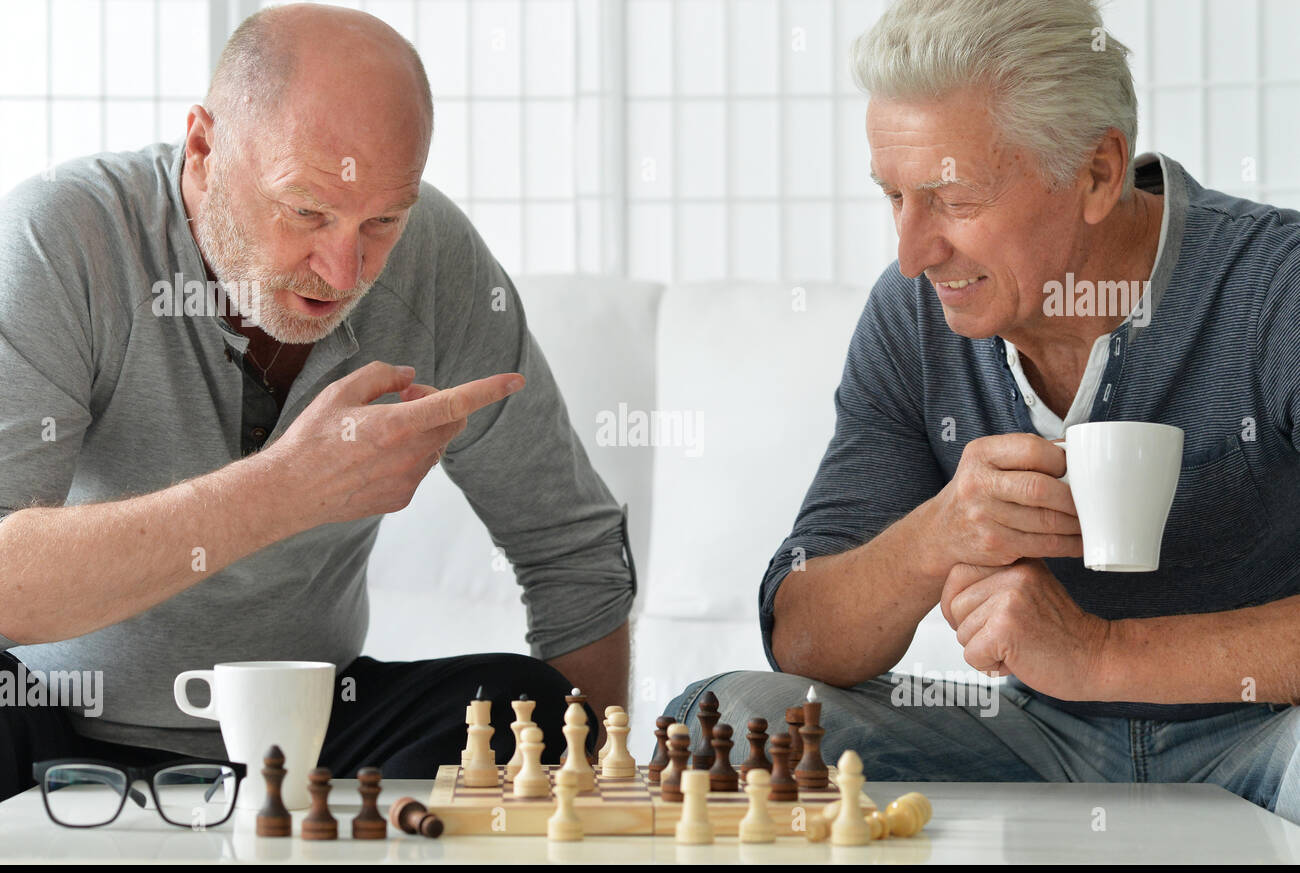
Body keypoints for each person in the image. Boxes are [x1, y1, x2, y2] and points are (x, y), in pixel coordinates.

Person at [667, 0, 1300, 824]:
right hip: (1033, 738)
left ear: (1098, 173)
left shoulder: (1276, 289)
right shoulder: (914, 319)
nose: (911, 252)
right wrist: (936, 535)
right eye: (894, 195)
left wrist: (1100, 655)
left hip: (1268, 733)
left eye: (952, 198)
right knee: (727, 723)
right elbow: (801, 634)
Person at [0, 4, 633, 802]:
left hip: (313, 733)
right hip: (50, 720)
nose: (342, 272)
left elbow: (570, 547)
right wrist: (290, 488)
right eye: (306, 211)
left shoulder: (437, 260)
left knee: (527, 709)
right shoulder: (61, 237)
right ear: (204, 149)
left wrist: (598, 796)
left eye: (381, 221)